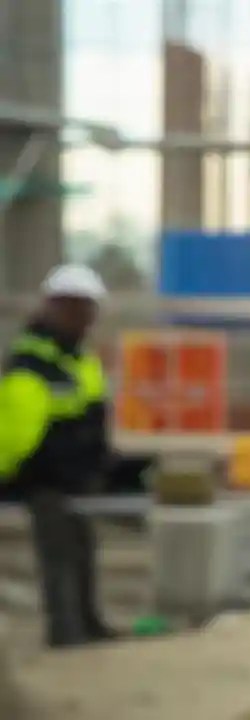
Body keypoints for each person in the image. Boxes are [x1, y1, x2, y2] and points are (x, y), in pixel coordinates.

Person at [0, 264, 116, 647]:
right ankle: (66, 630)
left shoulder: (77, 358)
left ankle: (87, 622)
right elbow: (16, 431)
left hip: (77, 476)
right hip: (48, 479)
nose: (84, 319)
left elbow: (91, 411)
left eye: (88, 310)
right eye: (76, 309)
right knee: (60, 555)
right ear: (55, 308)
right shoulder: (34, 363)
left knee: (81, 550)